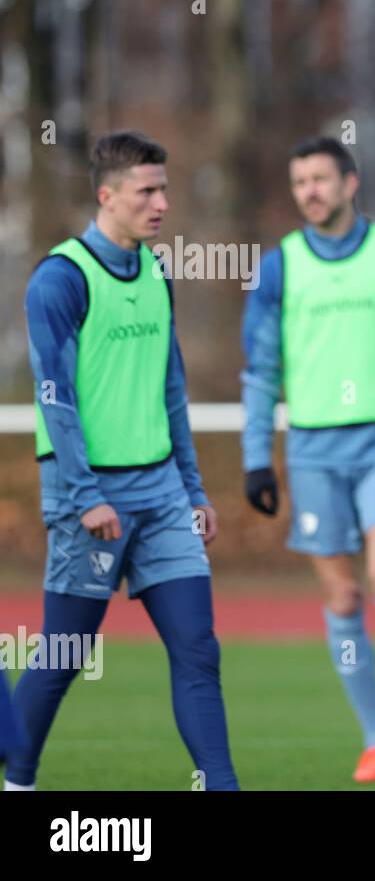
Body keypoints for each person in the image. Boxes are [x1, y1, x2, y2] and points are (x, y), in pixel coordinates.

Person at [7, 131, 238, 791]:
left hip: (163, 494)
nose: (162, 202)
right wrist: (85, 496)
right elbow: (55, 396)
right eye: (147, 191)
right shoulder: (60, 278)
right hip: (90, 497)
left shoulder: (158, 275)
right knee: (61, 655)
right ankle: (17, 783)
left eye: (164, 188)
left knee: (198, 648)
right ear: (106, 196)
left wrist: (194, 490)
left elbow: (171, 392)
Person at [240, 137, 375, 783]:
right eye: (299, 180)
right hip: (311, 450)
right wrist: (256, 458)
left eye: (320, 179)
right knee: (342, 595)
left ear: (351, 183)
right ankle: (373, 737)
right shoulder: (279, 267)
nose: (309, 190)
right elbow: (260, 369)